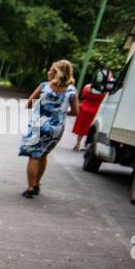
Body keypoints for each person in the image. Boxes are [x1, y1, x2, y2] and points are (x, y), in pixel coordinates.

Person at [19, 60, 78, 197]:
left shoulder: (44, 86)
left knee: (34, 155)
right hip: (56, 128)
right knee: (43, 154)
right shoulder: (72, 91)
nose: (48, 71)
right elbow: (75, 112)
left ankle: (29, 188)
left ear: (57, 73)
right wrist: (60, 113)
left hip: (38, 125)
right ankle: (37, 184)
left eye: (51, 69)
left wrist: (40, 107)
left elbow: (28, 104)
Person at [71, 69, 110, 151]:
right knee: (91, 129)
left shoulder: (87, 87)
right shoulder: (105, 91)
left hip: (84, 110)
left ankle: (78, 144)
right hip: (96, 111)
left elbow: (82, 95)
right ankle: (87, 145)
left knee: (81, 128)